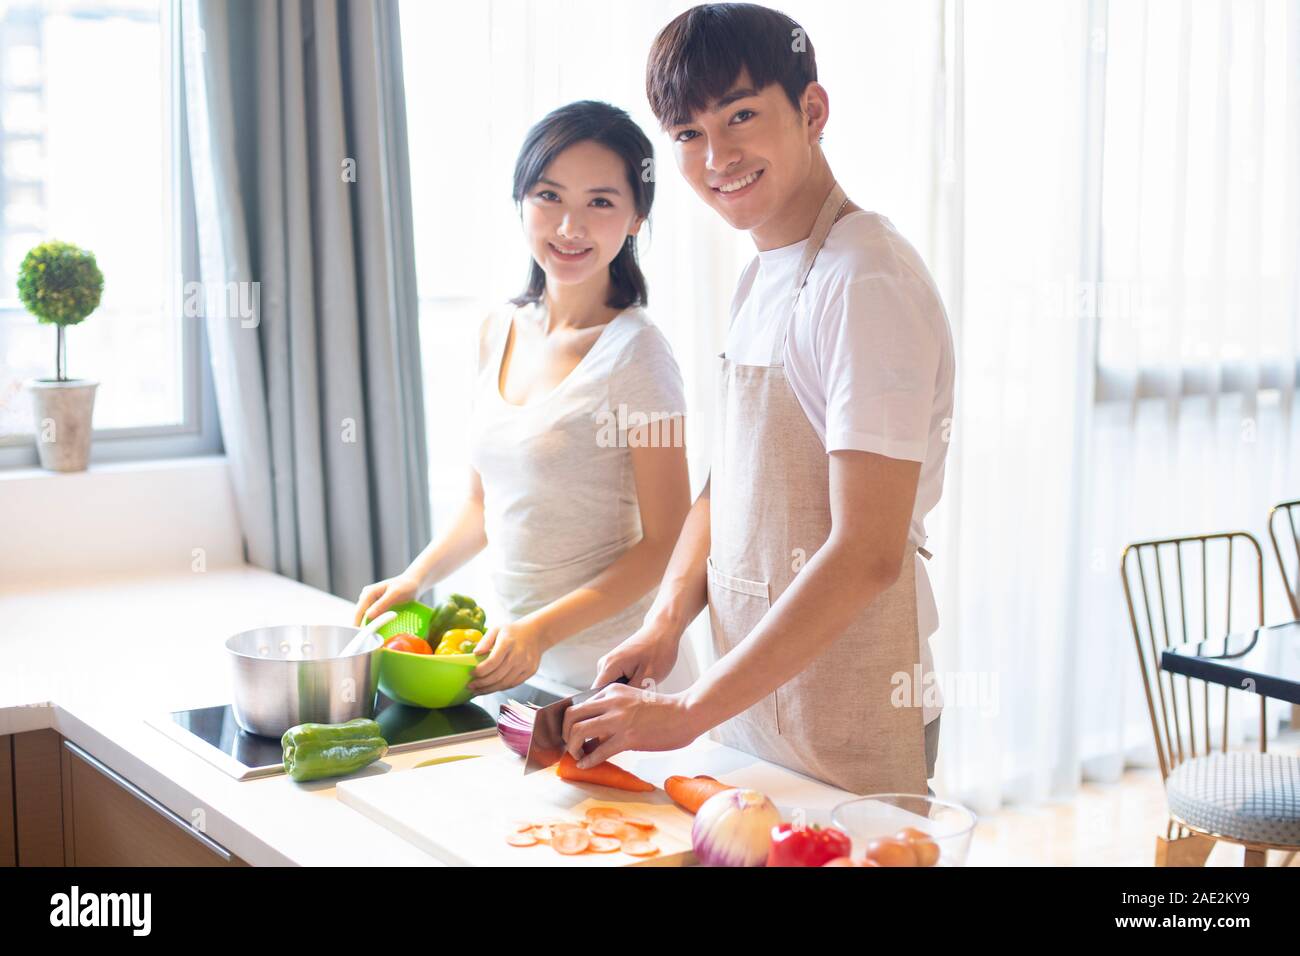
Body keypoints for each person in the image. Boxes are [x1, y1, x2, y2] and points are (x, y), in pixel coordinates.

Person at [563, 4, 955, 795]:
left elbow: (869, 550)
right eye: (688, 134)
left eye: (742, 115)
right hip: (751, 711)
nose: (718, 155)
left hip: (848, 714)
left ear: (812, 111)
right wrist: (667, 619)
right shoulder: (762, 273)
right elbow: (728, 483)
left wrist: (687, 712)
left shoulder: (863, 278)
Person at [355, 101, 692, 695]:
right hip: (514, 664)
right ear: (521, 200)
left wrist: (539, 630)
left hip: (616, 674)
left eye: (601, 202)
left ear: (637, 217)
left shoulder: (641, 355)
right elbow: (483, 506)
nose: (569, 226)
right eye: (549, 195)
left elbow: (667, 542)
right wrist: (413, 580)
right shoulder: (498, 329)